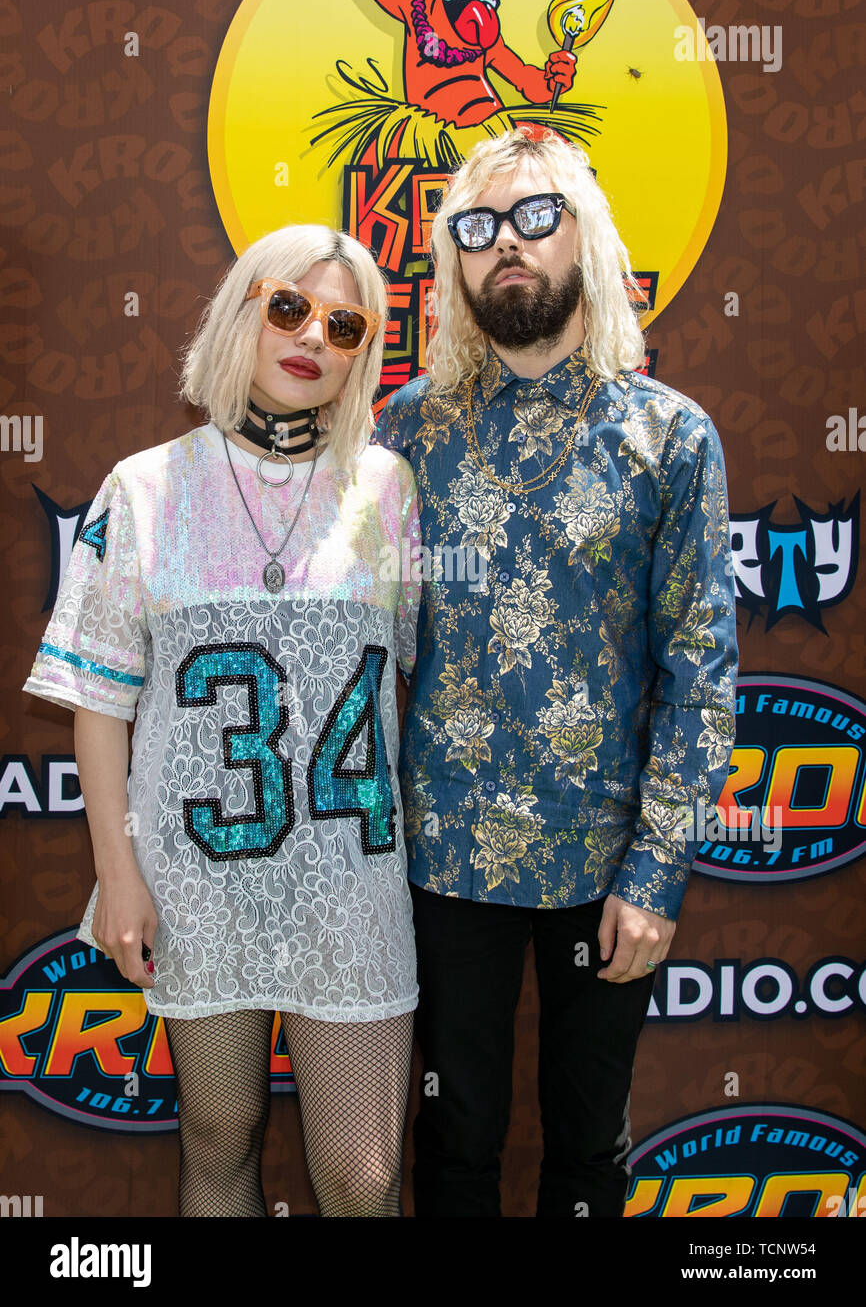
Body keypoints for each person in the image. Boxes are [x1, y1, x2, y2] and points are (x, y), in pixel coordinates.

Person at [371, 126, 738, 1217]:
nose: (507, 248)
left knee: (587, 1149)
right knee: (453, 1141)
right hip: (440, 863)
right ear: (452, 266)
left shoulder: (668, 436)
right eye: (476, 230)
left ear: (587, 236)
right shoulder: (404, 431)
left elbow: (699, 672)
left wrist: (655, 872)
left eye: (536, 217)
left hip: (603, 864)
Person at [23, 224, 422, 1218]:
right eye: (287, 306)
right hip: (199, 880)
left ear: (361, 353)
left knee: (361, 1178)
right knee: (216, 1135)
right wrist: (119, 875)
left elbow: (416, 681)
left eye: (342, 325)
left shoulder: (385, 488)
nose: (311, 338)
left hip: (349, 880)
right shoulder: (145, 486)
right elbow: (103, 700)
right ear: (240, 307)